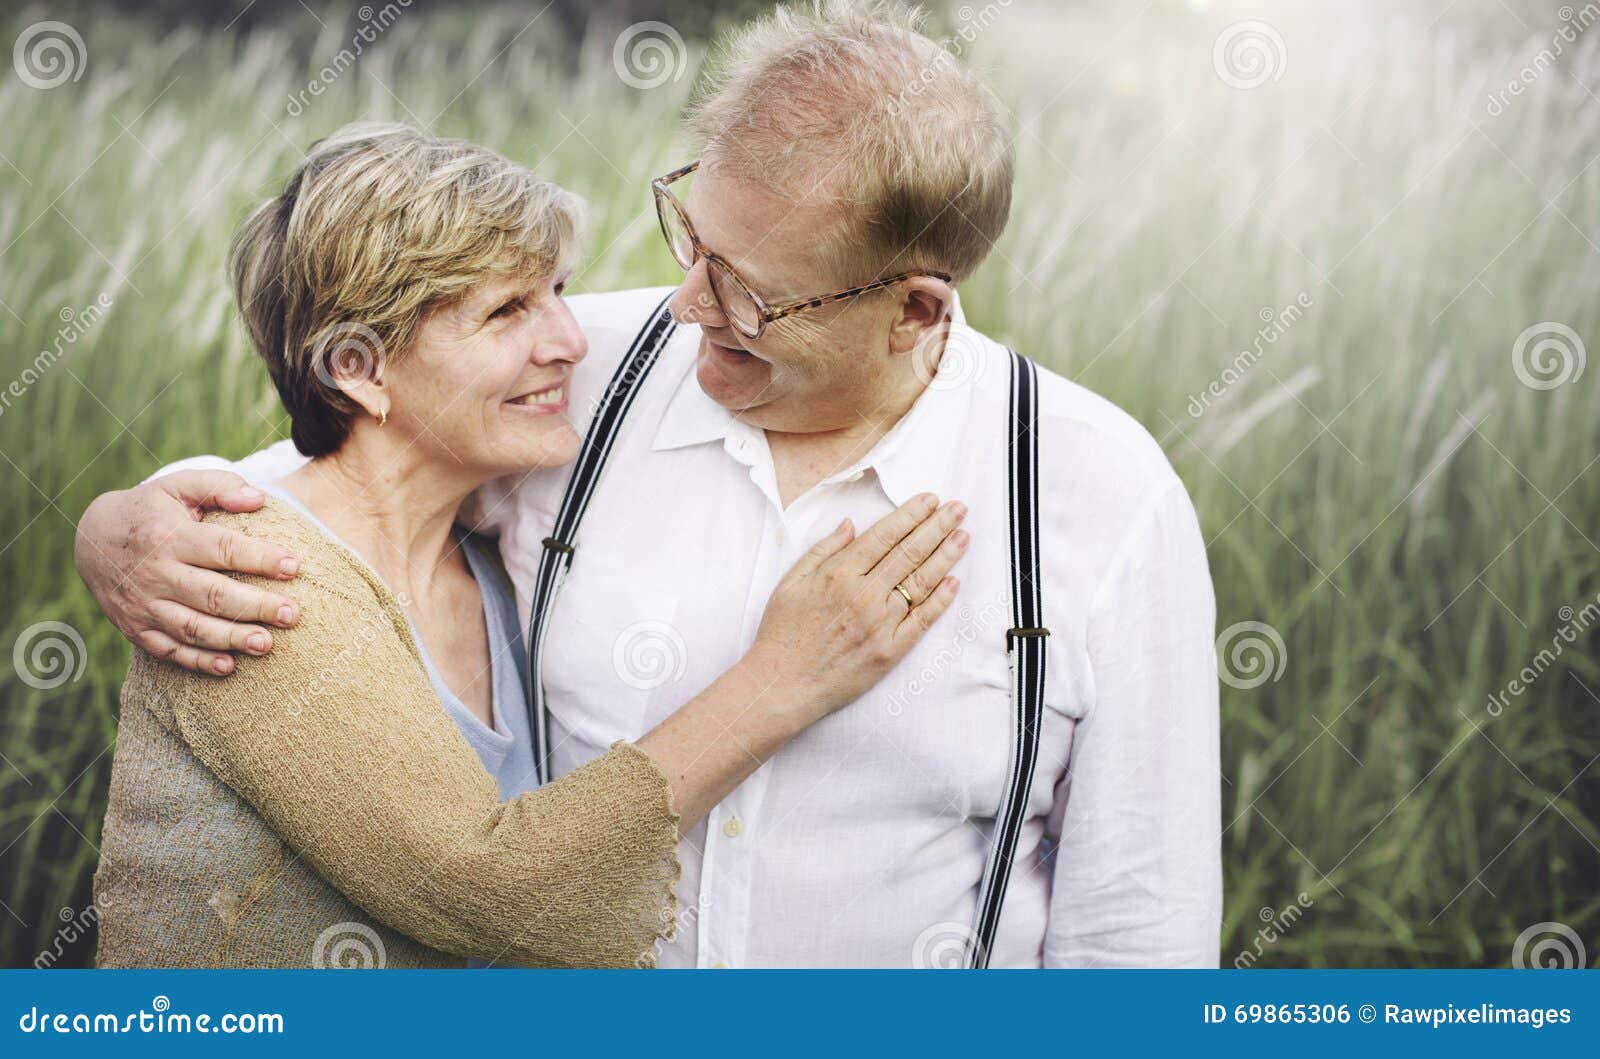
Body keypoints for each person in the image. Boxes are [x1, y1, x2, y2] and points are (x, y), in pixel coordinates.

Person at [77, 0, 1221, 968]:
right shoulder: (582, 376)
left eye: (751, 292)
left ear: (915, 307)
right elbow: (337, 470)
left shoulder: (1097, 496)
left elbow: (1137, 928)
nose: (681, 309)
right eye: (690, 239)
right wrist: (131, 521)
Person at [86, 123, 968, 968]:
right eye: (508, 310)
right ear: (357, 368)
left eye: (557, 291)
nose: (570, 341)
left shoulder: (487, 568)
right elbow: (491, 890)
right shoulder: (250, 582)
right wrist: (783, 679)